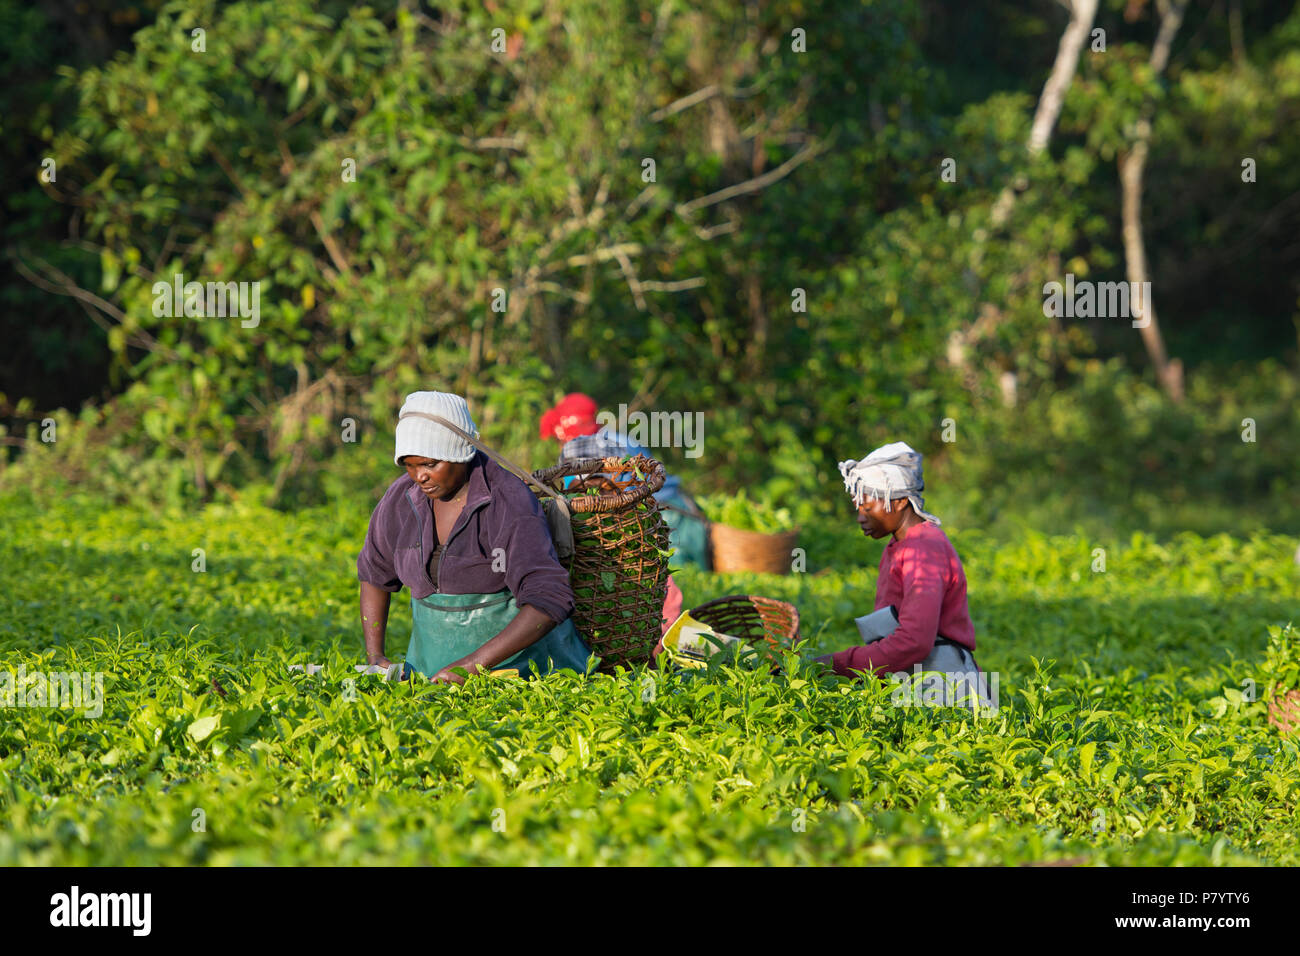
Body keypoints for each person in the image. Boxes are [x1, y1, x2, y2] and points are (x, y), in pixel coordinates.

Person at [357, 390, 595, 683]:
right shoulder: (401, 499)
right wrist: (375, 657)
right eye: (410, 464)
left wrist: (471, 667)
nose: (419, 476)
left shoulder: (507, 500)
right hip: (433, 679)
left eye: (431, 464)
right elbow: (374, 573)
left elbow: (548, 599)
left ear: (460, 453)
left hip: (526, 676)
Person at [810, 441, 991, 709]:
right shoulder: (901, 545)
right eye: (858, 508)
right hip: (914, 680)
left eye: (868, 507)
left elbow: (914, 641)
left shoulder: (924, 548)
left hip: (942, 686)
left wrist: (835, 664)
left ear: (899, 501)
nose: (860, 517)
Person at [539, 393, 696, 630]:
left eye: (601, 487)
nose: (592, 497)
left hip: (669, 507)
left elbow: (667, 609)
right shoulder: (565, 533)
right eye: (582, 489)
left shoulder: (635, 537)